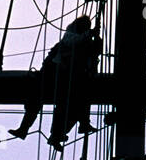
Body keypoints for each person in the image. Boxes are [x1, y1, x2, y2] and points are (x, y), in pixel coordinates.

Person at [9, 16, 100, 149]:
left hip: (66, 77)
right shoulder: (71, 35)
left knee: (66, 105)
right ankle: (24, 129)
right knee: (36, 100)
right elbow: (71, 42)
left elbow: (90, 63)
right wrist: (89, 34)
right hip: (52, 73)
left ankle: (57, 135)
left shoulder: (85, 45)